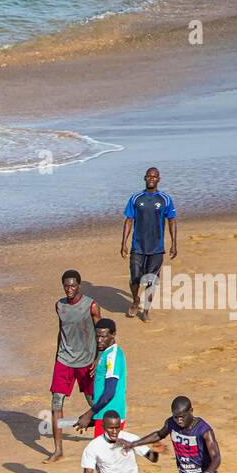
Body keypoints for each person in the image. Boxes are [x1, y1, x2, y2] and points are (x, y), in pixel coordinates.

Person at [45, 269, 101, 464]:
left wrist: (98, 358)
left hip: (87, 360)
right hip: (64, 360)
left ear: (79, 286)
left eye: (73, 286)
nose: (69, 289)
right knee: (56, 404)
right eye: (66, 286)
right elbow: (61, 331)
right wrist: (57, 356)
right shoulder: (59, 305)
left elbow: (101, 332)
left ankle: (111, 434)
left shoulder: (91, 305)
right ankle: (58, 449)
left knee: (94, 402)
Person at [121, 166, 177, 321]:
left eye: (154, 177)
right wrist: (123, 243)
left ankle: (146, 311)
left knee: (151, 280)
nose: (151, 179)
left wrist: (174, 244)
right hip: (137, 246)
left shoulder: (165, 199)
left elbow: (172, 221)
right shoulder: (136, 198)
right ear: (144, 178)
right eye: (149, 176)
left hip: (157, 248)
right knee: (135, 279)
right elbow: (128, 220)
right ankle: (135, 300)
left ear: (159, 179)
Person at [75, 318, 126, 438]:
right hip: (104, 414)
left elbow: (109, 392)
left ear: (113, 335)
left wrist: (89, 414)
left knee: (102, 455)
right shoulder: (106, 353)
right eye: (97, 336)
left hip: (110, 417)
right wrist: (94, 416)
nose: (99, 340)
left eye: (103, 337)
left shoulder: (112, 357)